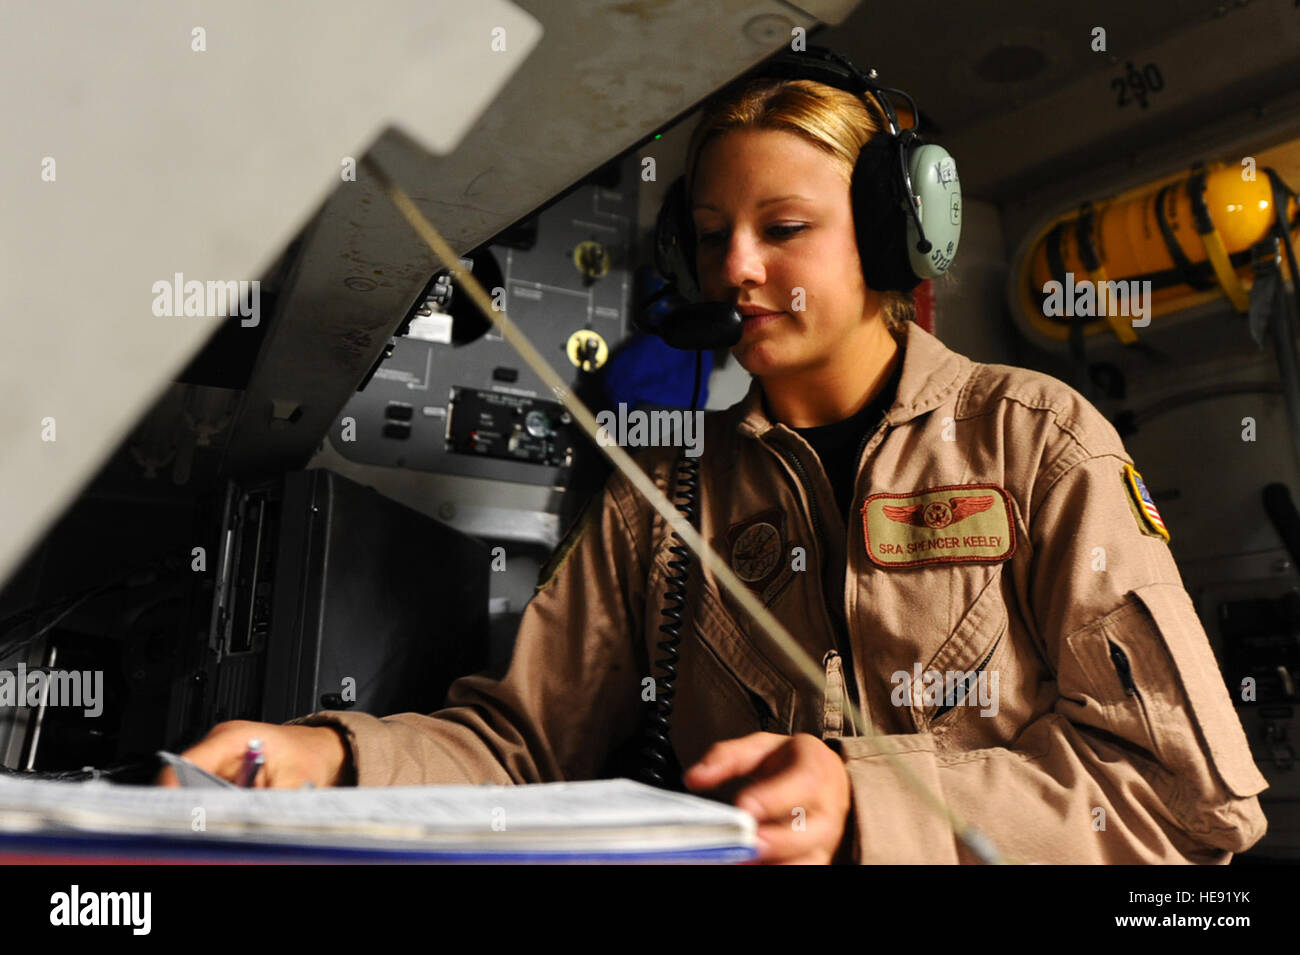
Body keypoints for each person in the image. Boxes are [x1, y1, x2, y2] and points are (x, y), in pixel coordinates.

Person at [160, 66, 1269, 865]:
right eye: (708, 233)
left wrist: (869, 806)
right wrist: (328, 760)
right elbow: (519, 746)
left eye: (783, 227)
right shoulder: (664, 498)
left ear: (892, 241)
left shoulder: (1036, 437)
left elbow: (1186, 802)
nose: (735, 266)